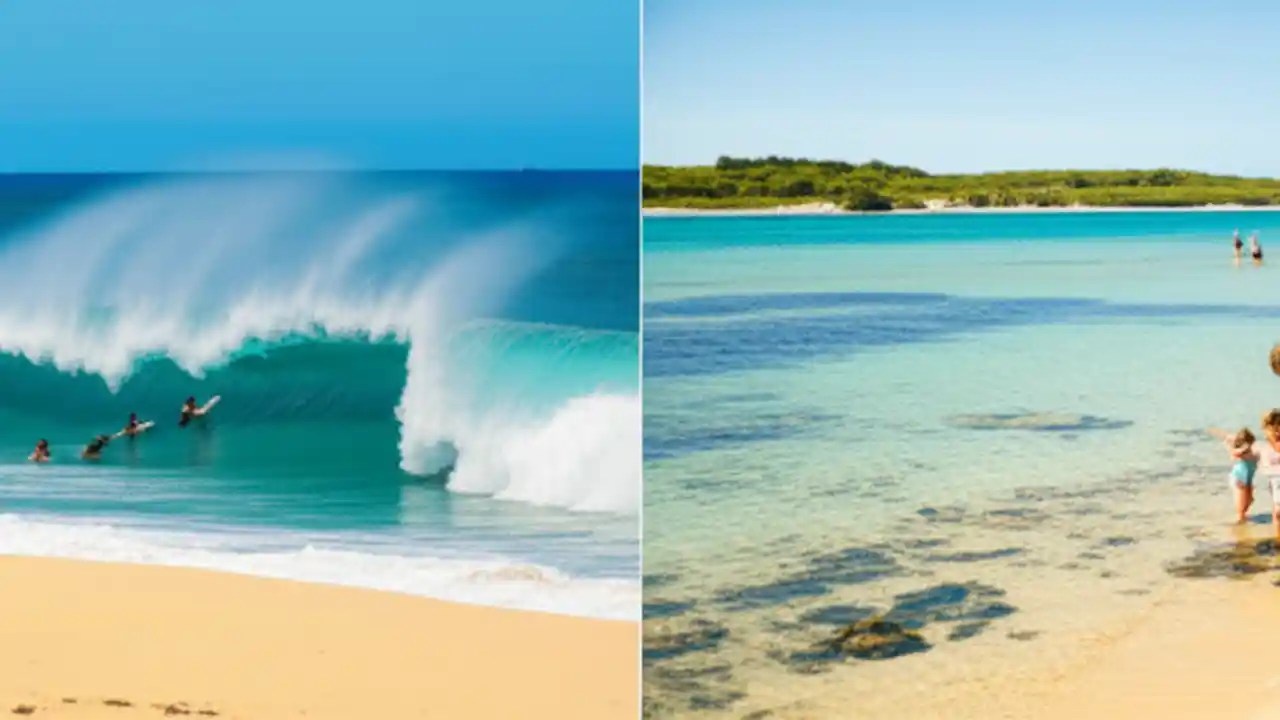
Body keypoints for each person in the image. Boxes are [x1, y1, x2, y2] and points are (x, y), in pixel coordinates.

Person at [1219, 427, 1259, 523]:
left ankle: (1242, 517)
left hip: (1248, 478)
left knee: (1250, 500)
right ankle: (1240, 520)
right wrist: (1231, 445)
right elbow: (1234, 454)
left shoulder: (1253, 452)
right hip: (1239, 478)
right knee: (1241, 503)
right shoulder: (1243, 452)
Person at [1257, 410, 1280, 539]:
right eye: (1272, 428)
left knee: (1278, 511)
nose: (1276, 432)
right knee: (1277, 511)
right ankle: (1278, 538)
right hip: (1274, 480)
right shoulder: (1265, 444)